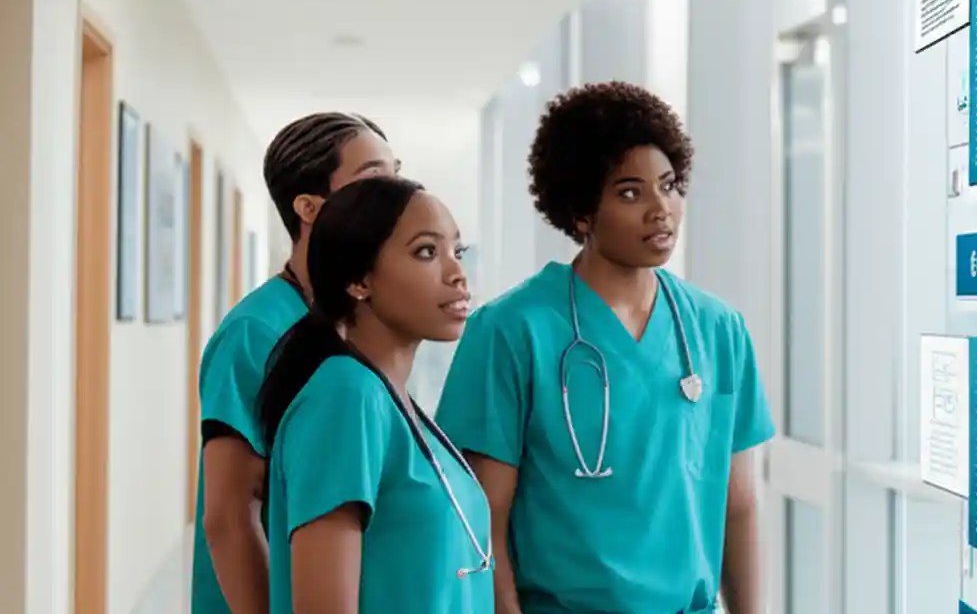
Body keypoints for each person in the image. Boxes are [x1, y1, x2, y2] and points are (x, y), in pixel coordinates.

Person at [436, 81, 776, 614]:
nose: (660, 210)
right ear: (580, 213)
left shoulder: (718, 330)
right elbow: (484, 521)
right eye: (630, 192)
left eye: (668, 185)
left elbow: (740, 505)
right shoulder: (511, 330)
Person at [257, 176, 493, 613]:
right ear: (359, 280)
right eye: (426, 251)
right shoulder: (346, 397)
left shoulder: (392, 399)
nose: (457, 272)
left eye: (456, 251)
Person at [193, 112, 398, 614]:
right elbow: (229, 518)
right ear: (309, 207)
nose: (397, 197)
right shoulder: (256, 332)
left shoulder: (356, 319)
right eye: (375, 179)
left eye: (398, 176)